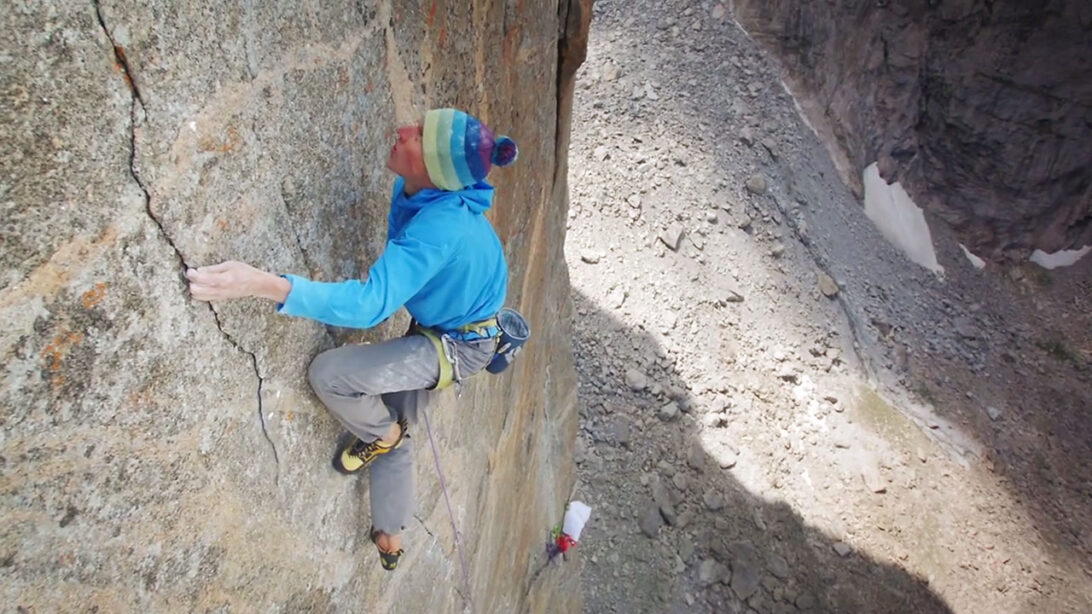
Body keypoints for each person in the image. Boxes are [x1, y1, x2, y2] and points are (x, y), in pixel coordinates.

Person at [187, 108, 518, 570]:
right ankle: (390, 528)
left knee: (333, 375)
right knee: (402, 426)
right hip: (454, 325)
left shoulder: (439, 228)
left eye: (419, 136)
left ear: (436, 172)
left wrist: (261, 283)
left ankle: (381, 433)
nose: (404, 131)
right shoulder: (433, 194)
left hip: (456, 344)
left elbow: (370, 306)